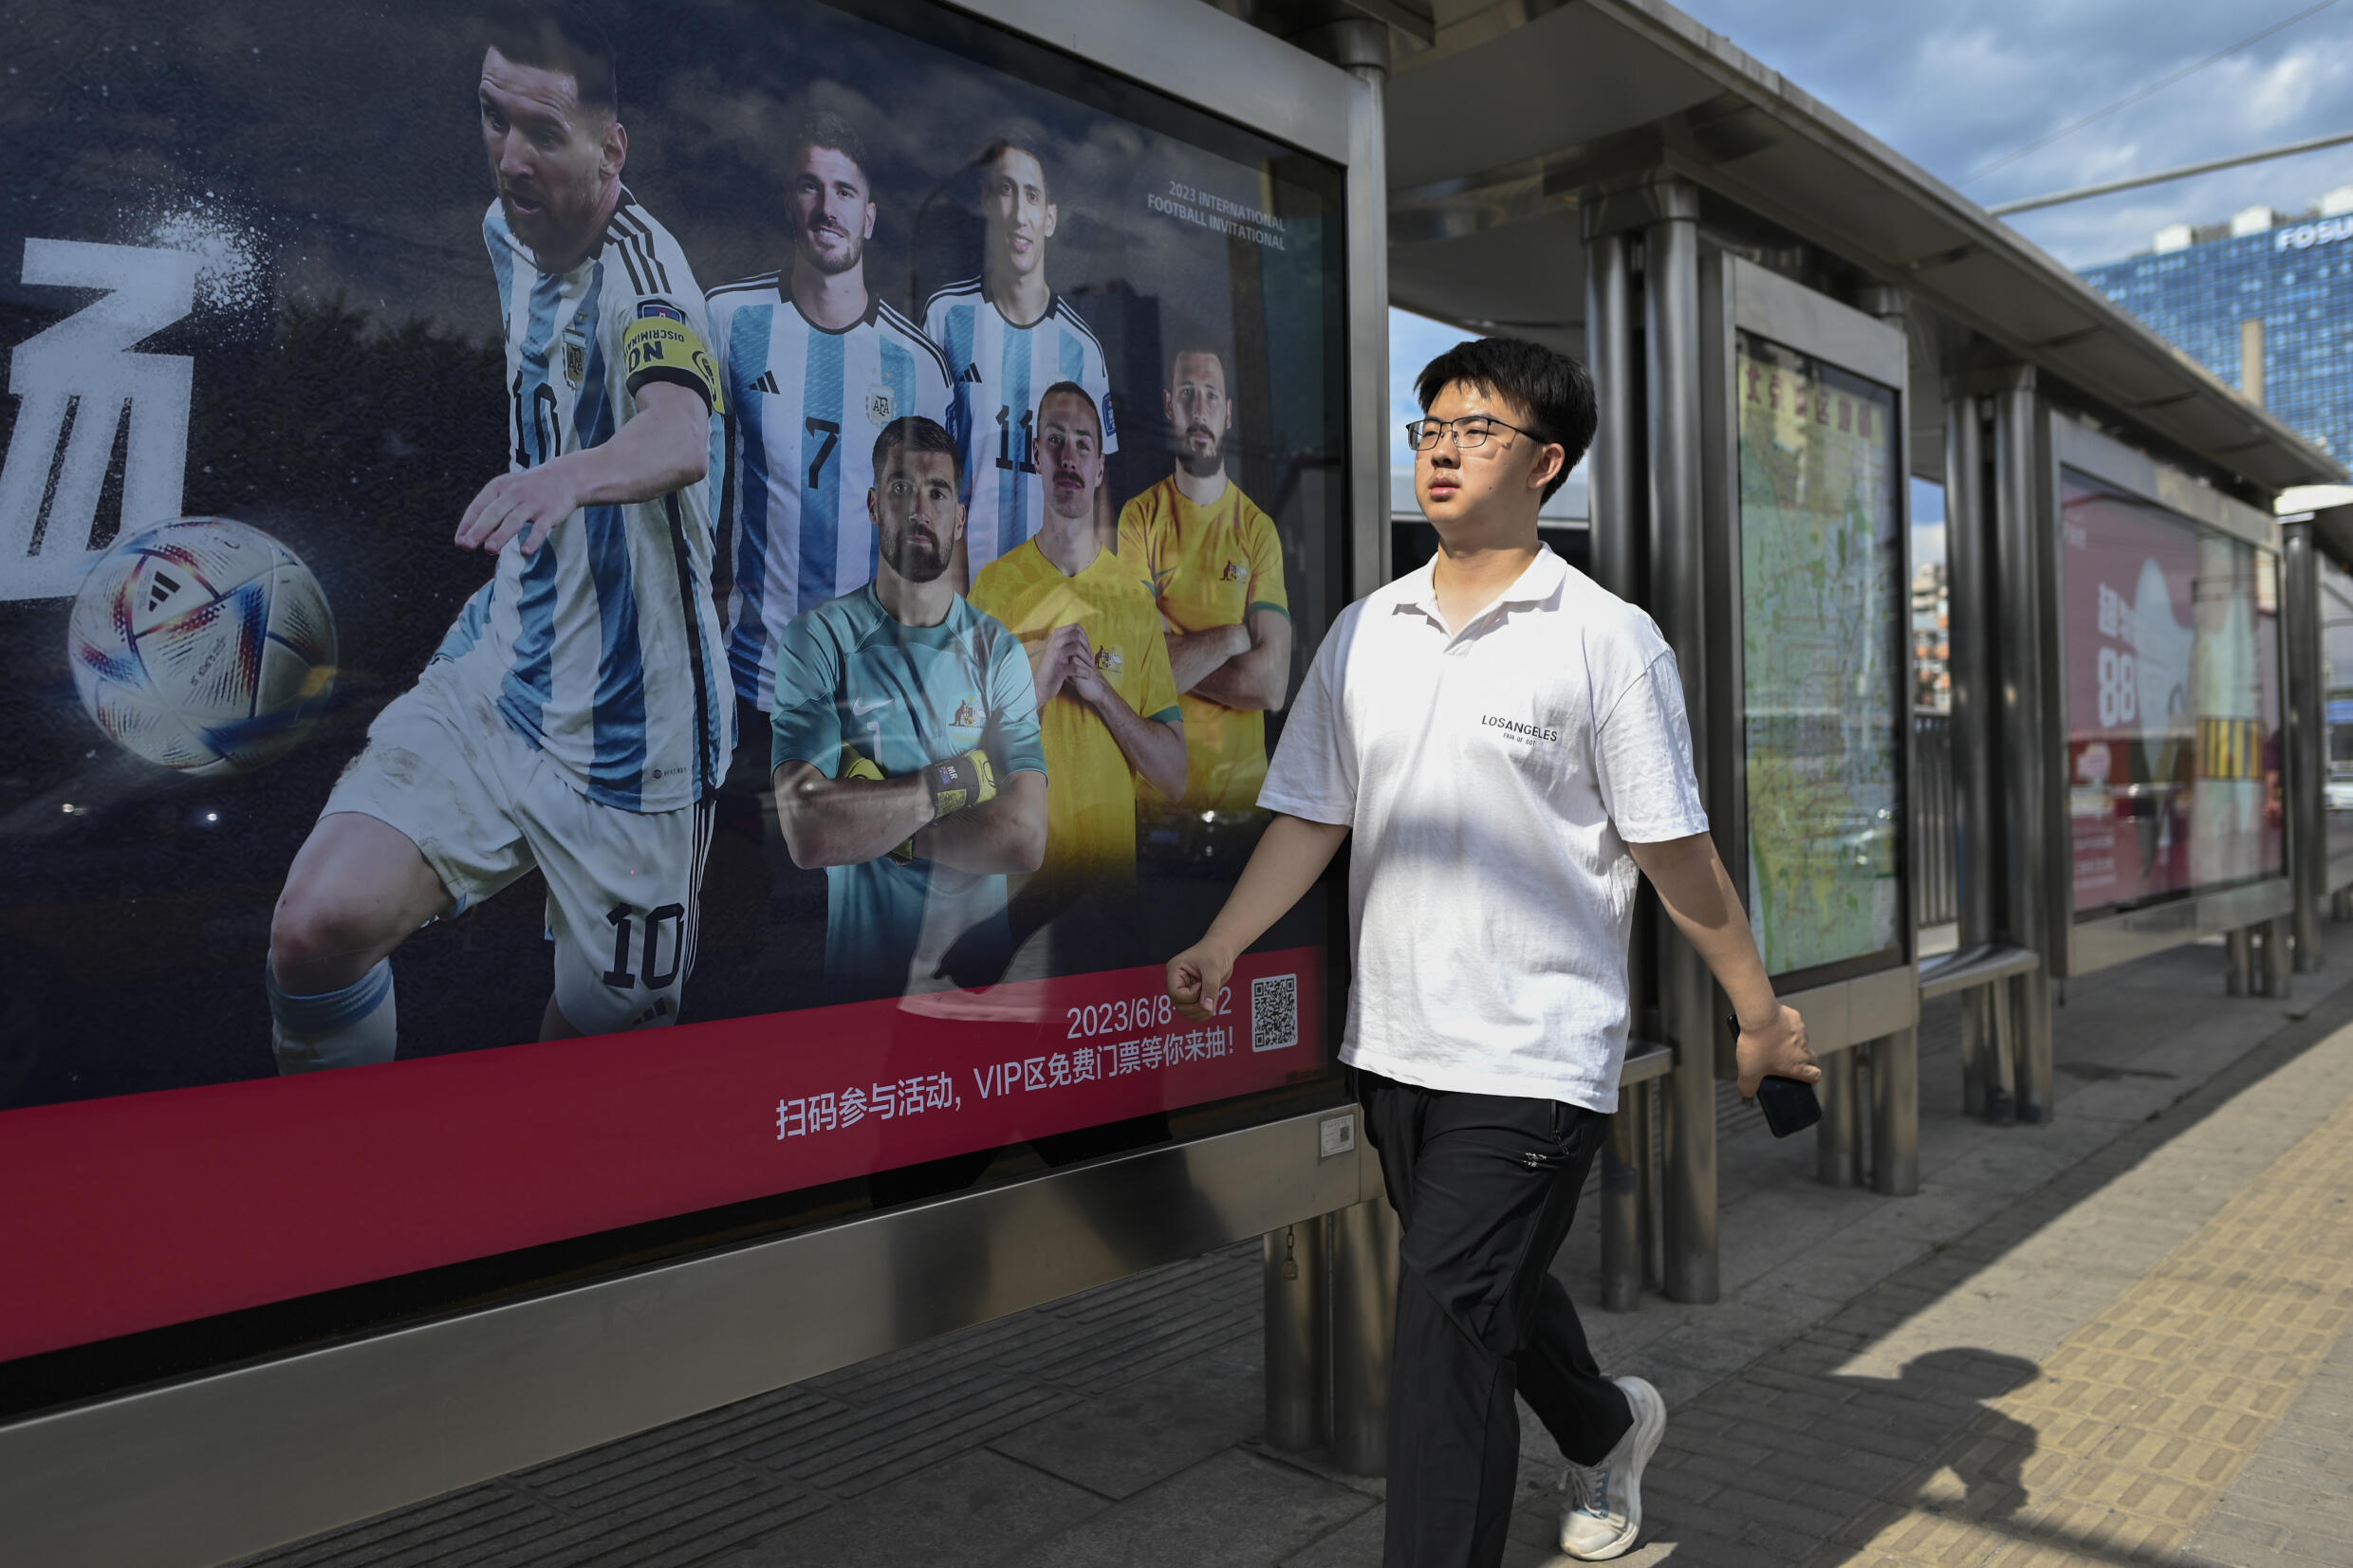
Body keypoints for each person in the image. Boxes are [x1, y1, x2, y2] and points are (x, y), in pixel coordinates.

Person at [1163, 337, 1819, 1565]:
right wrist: (1224, 941)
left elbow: (1676, 851)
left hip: (1535, 1050)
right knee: (1484, 1296)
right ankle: (1607, 1421)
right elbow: (1314, 813)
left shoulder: (1606, 639)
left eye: (1477, 430)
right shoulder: (1369, 629)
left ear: (1547, 464)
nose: (1444, 449)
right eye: (1430, 429)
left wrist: (1759, 1011)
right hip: (1399, 1044)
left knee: (1442, 1336)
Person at [266, 3, 732, 1070]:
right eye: (491, 120)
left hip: (638, 741)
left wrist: (572, 472)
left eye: (544, 135)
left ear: (611, 150)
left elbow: (679, 431)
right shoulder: (501, 228)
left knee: (591, 1071)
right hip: (506, 673)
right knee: (314, 929)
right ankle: (336, 1199)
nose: (510, 160)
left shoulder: (650, 282)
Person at [707, 109, 956, 766]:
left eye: (845, 191)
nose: (827, 207)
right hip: (745, 691)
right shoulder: (730, 321)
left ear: (869, 216)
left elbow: (940, 542)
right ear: (790, 201)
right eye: (811, 187)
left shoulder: (920, 368)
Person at [769, 416, 1047, 1003]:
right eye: (900, 488)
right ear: (874, 505)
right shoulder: (819, 640)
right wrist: (953, 782)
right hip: (862, 993)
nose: (920, 507)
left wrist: (885, 827)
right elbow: (809, 831)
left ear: (961, 517)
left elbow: (1023, 836)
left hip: (976, 991)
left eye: (938, 491)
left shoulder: (999, 653)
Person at [970, 382, 1181, 906]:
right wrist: (1034, 689)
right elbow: (955, 755)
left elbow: (1174, 776)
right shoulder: (993, 589)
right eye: (1056, 442)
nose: (1069, 458)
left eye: (1084, 444)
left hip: (1108, 899)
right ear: (1035, 455)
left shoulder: (1133, 600)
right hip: (1012, 903)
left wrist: (1102, 694)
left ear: (1100, 467)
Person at [923, 133, 1117, 585]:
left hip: (1052, 606)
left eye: (1032, 195)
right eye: (1006, 190)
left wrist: (1099, 601)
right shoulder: (946, 318)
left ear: (1050, 217)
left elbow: (1100, 492)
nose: (1018, 213)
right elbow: (925, 470)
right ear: (987, 201)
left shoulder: (1082, 348)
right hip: (962, 604)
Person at [1118, 345, 1291, 813]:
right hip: (1157, 801)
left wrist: (1175, 654)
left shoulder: (1257, 529)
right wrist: (1236, 637)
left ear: (1228, 414)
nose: (1200, 410)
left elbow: (1272, 686)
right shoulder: (1139, 519)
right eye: (1188, 394)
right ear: (1169, 404)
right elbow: (1134, 673)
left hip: (1242, 802)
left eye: (1212, 396)